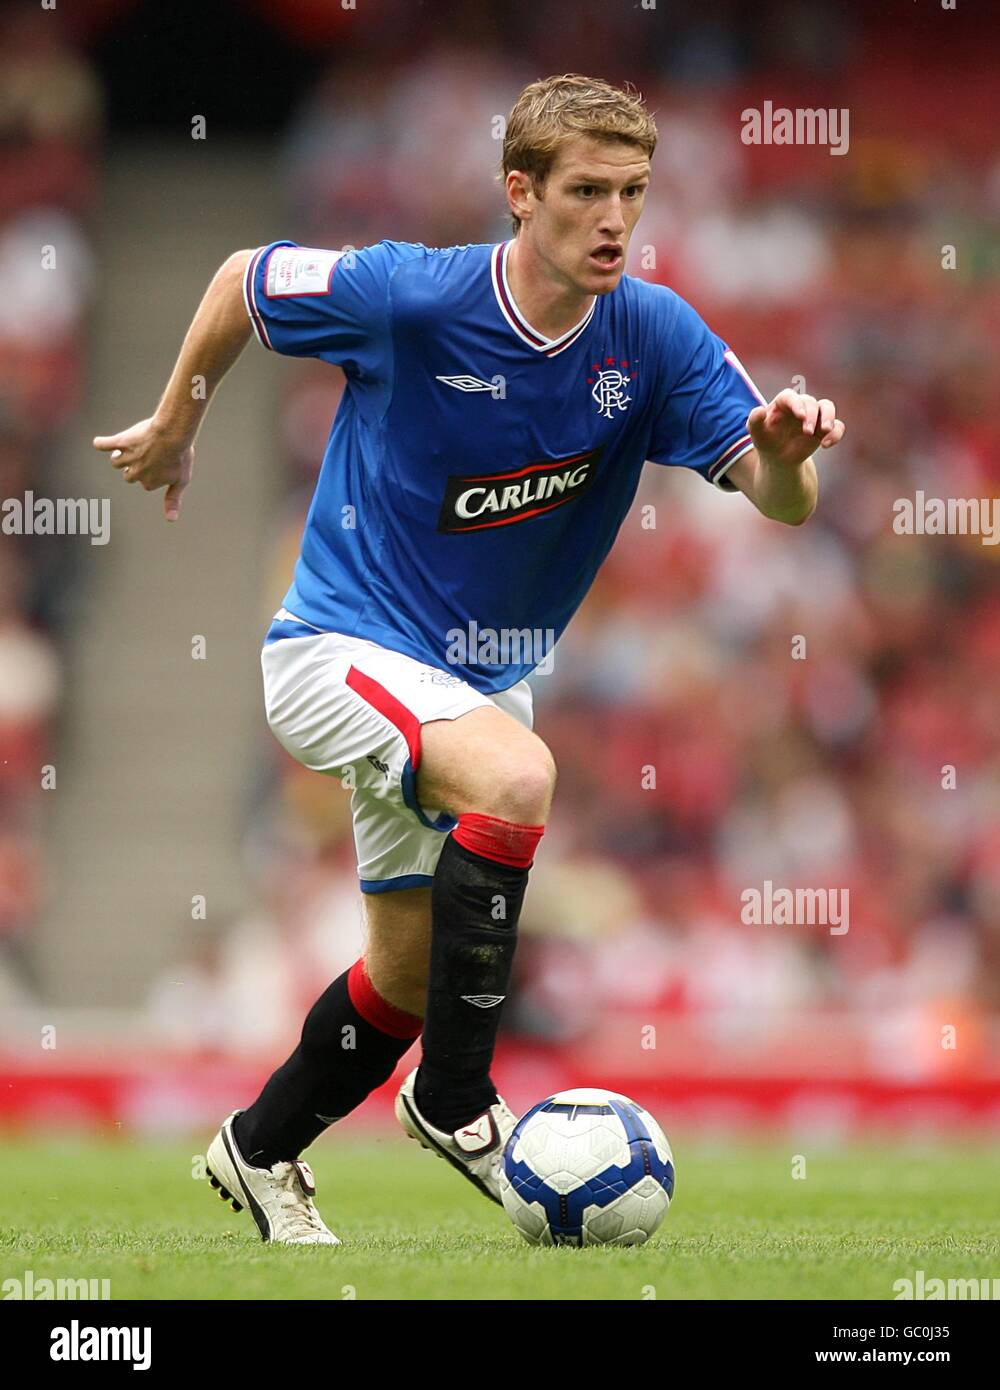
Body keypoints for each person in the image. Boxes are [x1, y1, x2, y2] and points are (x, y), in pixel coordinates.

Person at [94, 74, 845, 1243]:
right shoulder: (413, 296)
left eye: (632, 192)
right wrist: (177, 424)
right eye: (586, 191)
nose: (614, 219)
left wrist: (787, 454)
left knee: (399, 981)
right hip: (336, 648)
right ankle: (453, 1102)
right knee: (518, 780)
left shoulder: (652, 335)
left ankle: (257, 1150)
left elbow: (780, 500)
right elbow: (243, 277)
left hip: (475, 682)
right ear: (518, 192)